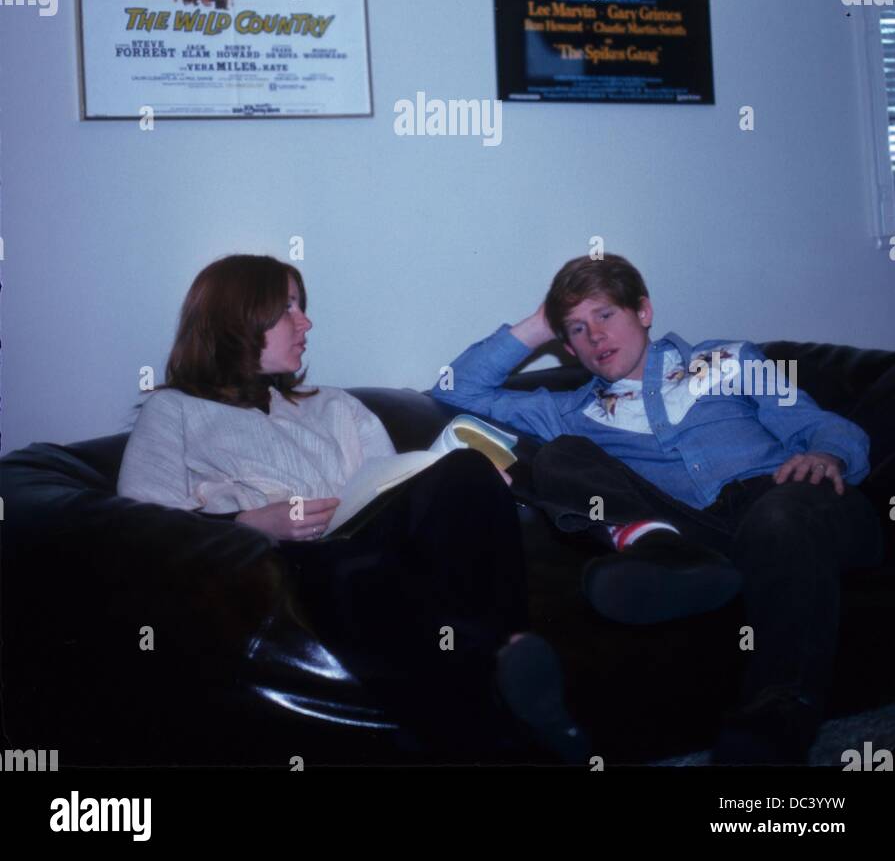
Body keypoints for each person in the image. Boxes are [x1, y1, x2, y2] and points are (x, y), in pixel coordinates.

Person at [116, 254, 588, 765]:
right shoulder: (175, 411)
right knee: (361, 573)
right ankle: (505, 712)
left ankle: (512, 657)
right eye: (289, 308)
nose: (307, 322)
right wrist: (248, 523)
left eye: (303, 306)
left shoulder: (336, 405)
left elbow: (392, 487)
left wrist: (462, 486)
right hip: (285, 564)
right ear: (238, 318)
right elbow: (141, 531)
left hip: (373, 540)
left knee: (467, 471)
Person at [436, 253, 884, 765]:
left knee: (777, 518)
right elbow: (454, 388)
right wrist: (543, 319)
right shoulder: (569, 410)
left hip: (796, 503)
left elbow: (823, 426)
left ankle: (778, 713)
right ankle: (666, 554)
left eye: (605, 315)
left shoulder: (731, 360)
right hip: (701, 535)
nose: (595, 337)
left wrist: (826, 455)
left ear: (643, 311)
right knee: (559, 456)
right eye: (577, 329)